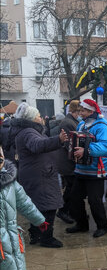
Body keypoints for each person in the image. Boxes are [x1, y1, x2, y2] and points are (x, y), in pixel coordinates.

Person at [0, 138, 48, 270]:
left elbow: (24, 202)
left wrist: (39, 220)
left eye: (1, 159)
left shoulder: (9, 181)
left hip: (8, 238)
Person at [8, 103, 68, 248]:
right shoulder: (29, 131)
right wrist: (57, 140)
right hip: (40, 176)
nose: (41, 118)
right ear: (32, 118)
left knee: (37, 206)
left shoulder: (26, 130)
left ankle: (35, 234)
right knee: (48, 207)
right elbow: (37, 145)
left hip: (37, 174)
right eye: (39, 116)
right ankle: (47, 238)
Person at [66, 99, 107, 238]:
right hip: (80, 169)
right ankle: (82, 224)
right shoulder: (81, 125)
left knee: (94, 200)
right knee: (74, 198)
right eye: (79, 111)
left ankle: (102, 226)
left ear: (91, 111)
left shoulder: (102, 126)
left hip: (96, 170)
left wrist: (86, 150)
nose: (80, 113)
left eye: (83, 111)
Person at [55, 100, 80, 224]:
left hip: (69, 161)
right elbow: (68, 143)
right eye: (79, 111)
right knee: (71, 188)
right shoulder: (68, 122)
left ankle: (68, 211)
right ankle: (63, 211)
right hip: (68, 162)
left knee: (72, 187)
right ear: (75, 111)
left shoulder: (71, 121)